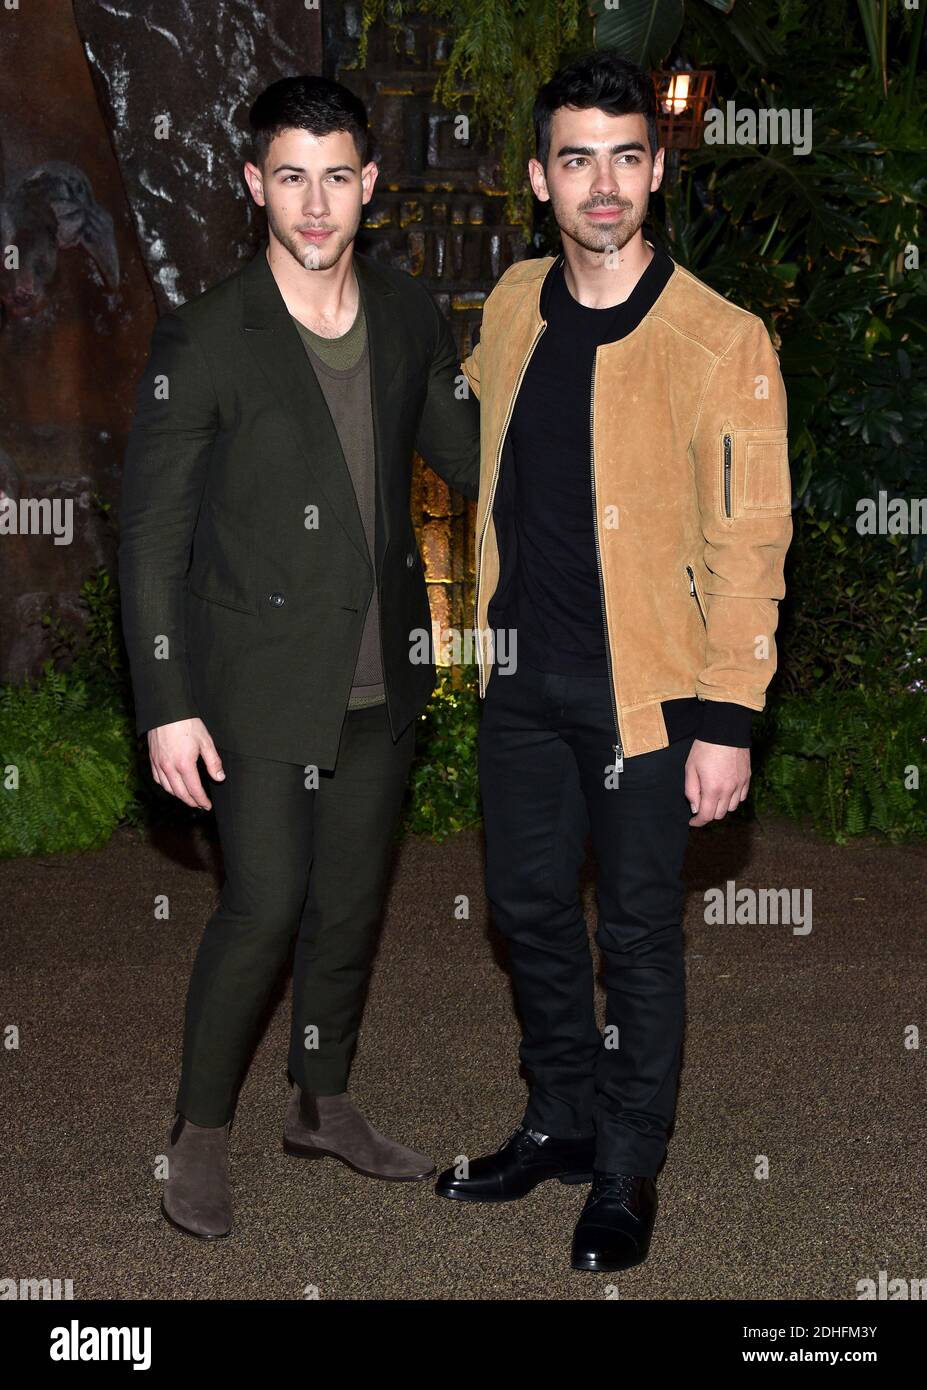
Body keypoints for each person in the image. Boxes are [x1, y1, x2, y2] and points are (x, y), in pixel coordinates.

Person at [435, 51, 793, 1273]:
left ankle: (630, 1165)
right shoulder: (515, 300)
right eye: (578, 158)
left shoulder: (720, 339)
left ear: (655, 170)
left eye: (628, 156)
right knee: (529, 910)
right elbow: (475, 443)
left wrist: (733, 715)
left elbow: (752, 539)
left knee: (635, 936)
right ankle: (561, 1117)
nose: (604, 183)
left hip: (656, 690)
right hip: (524, 681)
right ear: (540, 177)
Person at [119, 74, 480, 1240]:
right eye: (290, 177)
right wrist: (167, 701)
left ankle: (323, 1104)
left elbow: (471, 454)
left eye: (337, 176)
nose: (315, 204)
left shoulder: (411, 312)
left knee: (349, 907)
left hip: (382, 679)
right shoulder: (209, 334)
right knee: (265, 904)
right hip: (253, 686)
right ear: (253, 185)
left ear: (368, 185)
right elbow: (153, 537)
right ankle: (199, 1135)